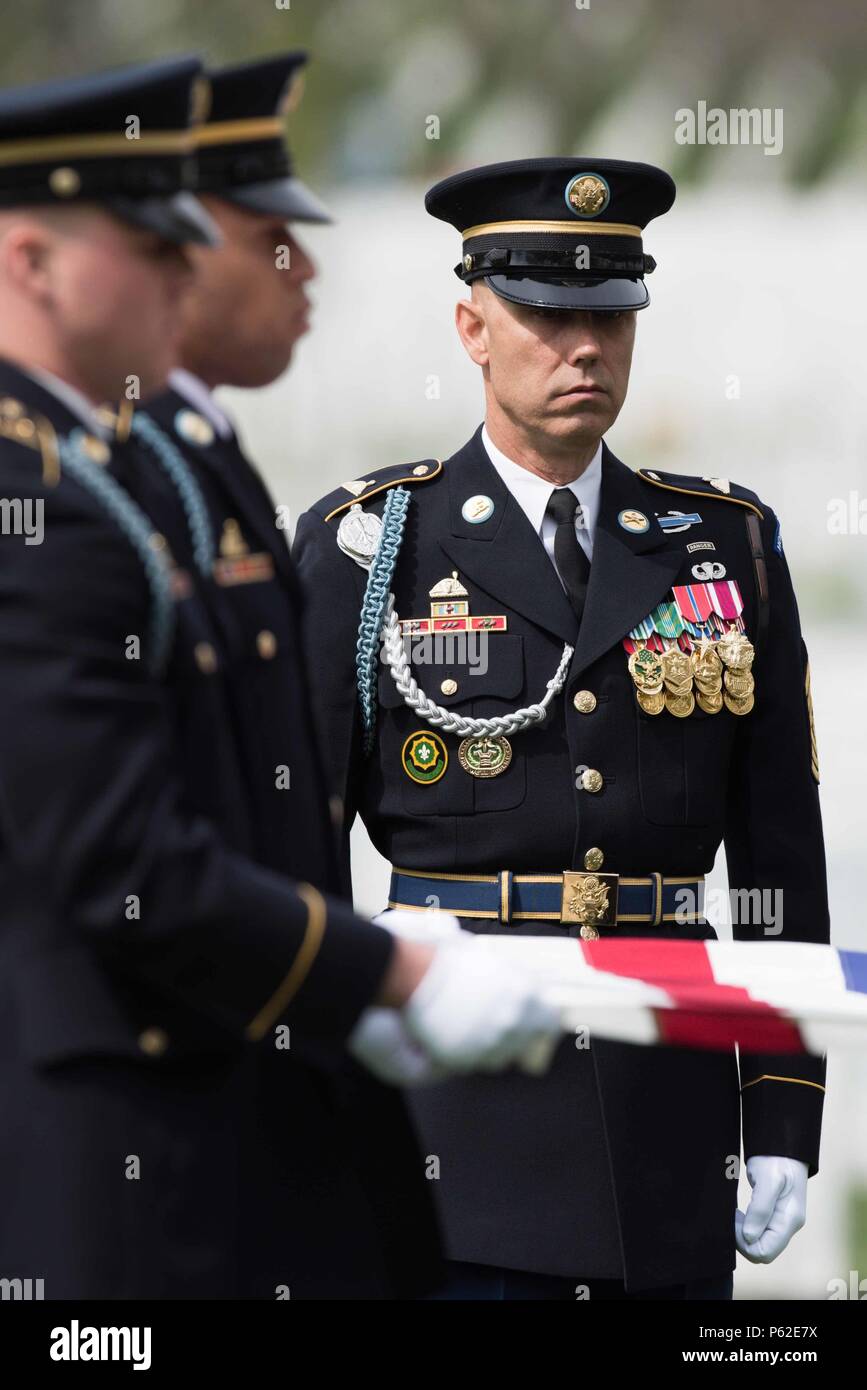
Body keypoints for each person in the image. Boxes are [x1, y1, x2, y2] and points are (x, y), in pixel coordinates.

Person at [0, 64, 564, 1301]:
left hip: (218, 1088)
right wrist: (382, 970)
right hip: (113, 1134)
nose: (183, 268)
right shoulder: (35, 496)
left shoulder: (97, 467)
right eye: (153, 243)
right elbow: (118, 857)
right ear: (33, 264)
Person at [293, 157, 829, 1300]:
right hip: (457, 1125)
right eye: (545, 314)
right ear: (472, 326)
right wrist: (304, 1091)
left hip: (667, 1128)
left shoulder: (723, 546)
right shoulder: (371, 547)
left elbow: (780, 860)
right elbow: (299, 850)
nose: (584, 347)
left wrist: (780, 1110)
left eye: (609, 314)